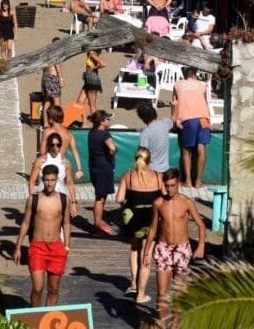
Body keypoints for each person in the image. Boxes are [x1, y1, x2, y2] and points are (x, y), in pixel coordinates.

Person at [143, 168, 206, 326]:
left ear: (178, 183)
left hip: (181, 249)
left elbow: (201, 225)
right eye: (166, 185)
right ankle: (162, 325)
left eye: (172, 185)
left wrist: (201, 245)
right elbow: (152, 229)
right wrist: (146, 252)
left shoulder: (186, 202)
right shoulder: (158, 203)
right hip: (163, 248)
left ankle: (176, 326)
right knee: (162, 293)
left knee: (178, 294)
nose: (169, 189)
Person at [14, 164, 72, 307]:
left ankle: (47, 320)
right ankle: (35, 315)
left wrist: (67, 247)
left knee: (53, 289)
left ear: (57, 180)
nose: (49, 183)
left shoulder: (64, 199)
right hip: (38, 247)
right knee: (38, 288)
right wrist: (18, 247)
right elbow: (26, 223)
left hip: (56, 247)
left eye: (52, 180)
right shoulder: (33, 199)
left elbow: (66, 224)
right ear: (42, 180)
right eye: (46, 180)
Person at [116, 147, 165, 304]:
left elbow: (119, 199)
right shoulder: (158, 176)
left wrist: (130, 201)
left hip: (133, 218)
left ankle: (134, 284)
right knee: (147, 254)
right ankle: (141, 294)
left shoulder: (128, 175)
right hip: (151, 218)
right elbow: (164, 198)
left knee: (134, 249)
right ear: (149, 160)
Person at [171, 67, 211, 188]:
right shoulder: (202, 85)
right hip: (204, 118)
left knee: (186, 150)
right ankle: (198, 181)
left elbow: (174, 104)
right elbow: (206, 102)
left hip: (188, 118)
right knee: (201, 149)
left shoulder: (178, 85)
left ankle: (188, 180)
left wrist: (175, 120)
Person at [28, 133, 78, 218]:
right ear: (48, 145)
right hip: (42, 199)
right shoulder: (40, 161)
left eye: (58, 145)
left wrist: (74, 203)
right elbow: (32, 182)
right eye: (52, 145)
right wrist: (33, 200)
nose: (55, 148)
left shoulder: (65, 163)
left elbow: (70, 183)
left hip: (60, 199)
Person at [88, 110, 116, 236]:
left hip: (94, 167)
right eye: (107, 119)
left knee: (100, 196)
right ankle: (97, 225)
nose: (109, 121)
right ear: (102, 121)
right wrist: (110, 156)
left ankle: (97, 223)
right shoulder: (105, 134)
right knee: (100, 198)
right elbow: (112, 148)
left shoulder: (91, 133)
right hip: (104, 168)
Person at [39, 105, 84, 181]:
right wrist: (79, 169)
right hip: (61, 166)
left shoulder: (47, 132)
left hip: (48, 165)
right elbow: (75, 151)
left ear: (51, 119)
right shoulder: (68, 134)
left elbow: (42, 151)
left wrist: (38, 163)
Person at [137, 103, 173, 173]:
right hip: (165, 169)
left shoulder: (145, 133)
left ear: (142, 118)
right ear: (154, 112)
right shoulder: (165, 123)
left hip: (151, 170)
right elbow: (173, 117)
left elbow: (142, 155)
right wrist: (175, 106)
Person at [41, 38, 64, 127]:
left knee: (47, 102)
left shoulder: (47, 53)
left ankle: (46, 123)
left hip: (45, 77)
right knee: (57, 102)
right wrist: (61, 78)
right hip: (52, 77)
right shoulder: (55, 52)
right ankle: (57, 123)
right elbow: (57, 64)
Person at [77, 49, 106, 116]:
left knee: (92, 104)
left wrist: (93, 68)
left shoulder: (92, 53)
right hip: (88, 79)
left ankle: (95, 123)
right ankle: (85, 123)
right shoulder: (92, 53)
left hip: (92, 79)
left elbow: (103, 64)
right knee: (80, 102)